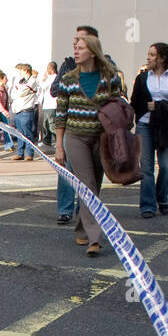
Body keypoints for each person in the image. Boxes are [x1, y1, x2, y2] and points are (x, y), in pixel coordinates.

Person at [54, 31, 125, 258]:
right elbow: (61, 114)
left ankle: (82, 227)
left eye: (81, 48)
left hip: (102, 138)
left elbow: (117, 104)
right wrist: (59, 146)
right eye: (75, 48)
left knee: (94, 185)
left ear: (93, 52)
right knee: (87, 186)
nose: (76, 51)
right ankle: (95, 238)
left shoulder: (110, 77)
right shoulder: (67, 79)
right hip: (76, 138)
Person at [131, 42, 168, 218]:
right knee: (146, 168)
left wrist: (160, 106)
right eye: (148, 54)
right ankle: (148, 205)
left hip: (166, 126)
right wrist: (144, 109)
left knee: (167, 165)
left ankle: (161, 197)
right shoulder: (142, 78)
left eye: (152, 55)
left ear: (162, 58)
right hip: (145, 125)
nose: (148, 57)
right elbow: (134, 102)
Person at [10, 63, 39, 161]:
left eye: (21, 70)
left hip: (26, 110)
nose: (19, 72)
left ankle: (29, 153)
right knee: (20, 134)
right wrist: (17, 89)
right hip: (18, 110)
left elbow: (20, 92)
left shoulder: (32, 81)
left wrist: (17, 89)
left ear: (26, 71)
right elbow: (13, 94)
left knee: (28, 133)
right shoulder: (20, 81)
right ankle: (20, 153)